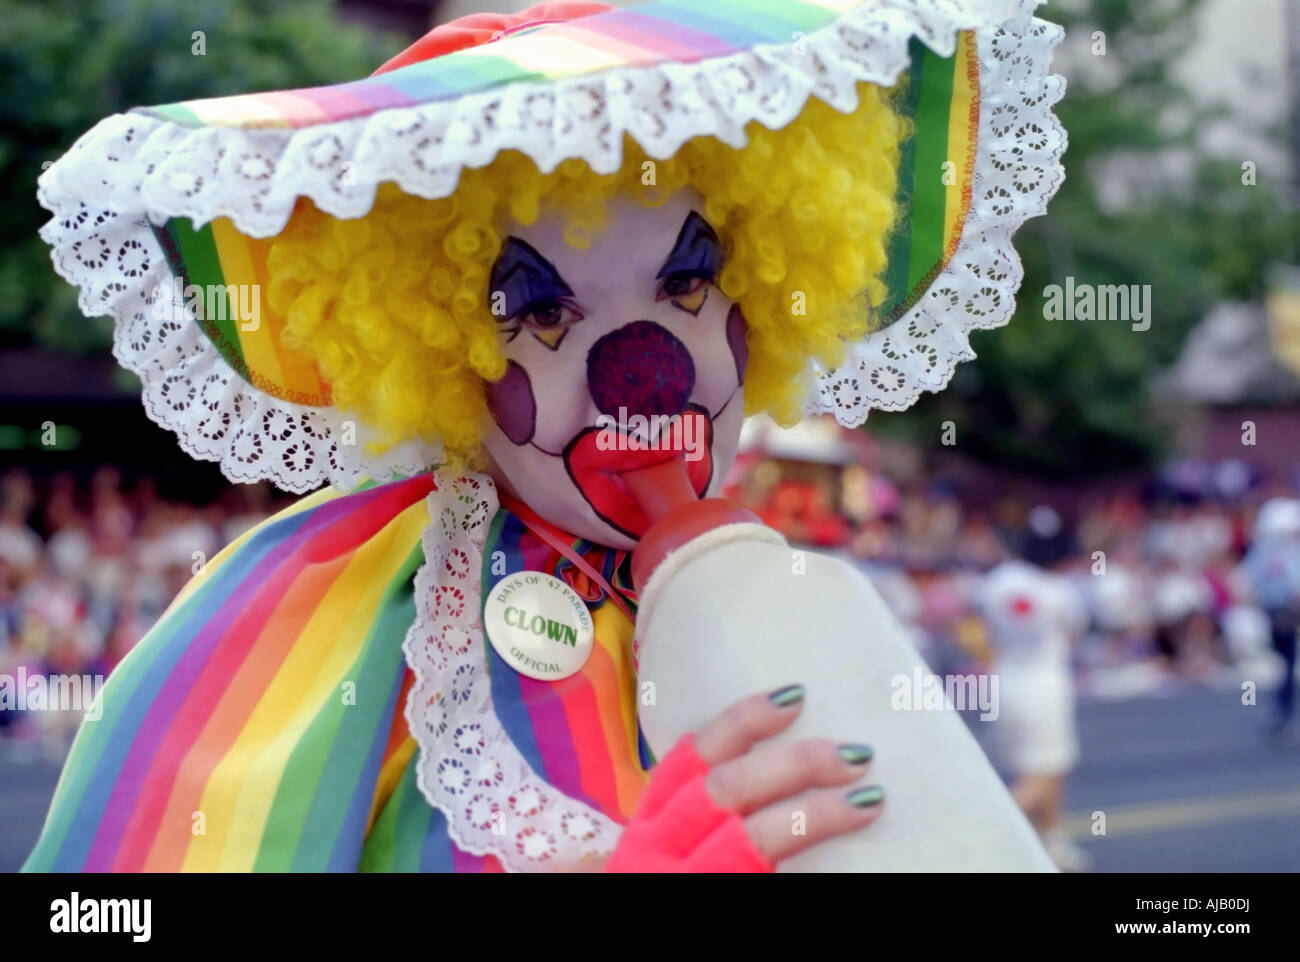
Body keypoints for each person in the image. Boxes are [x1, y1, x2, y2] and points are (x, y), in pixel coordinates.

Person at [24, 0, 1064, 871]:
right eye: (540, 311)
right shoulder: (308, 603)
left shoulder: (799, 595)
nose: (640, 368)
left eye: (689, 282)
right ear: (437, 349)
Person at [1241, 498, 1300, 736]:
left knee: (1286, 665)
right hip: (1285, 613)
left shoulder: (1263, 550)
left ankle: (1281, 711)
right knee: (1287, 664)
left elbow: (1250, 583)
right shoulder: (1281, 550)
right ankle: (1283, 712)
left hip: (1278, 611)